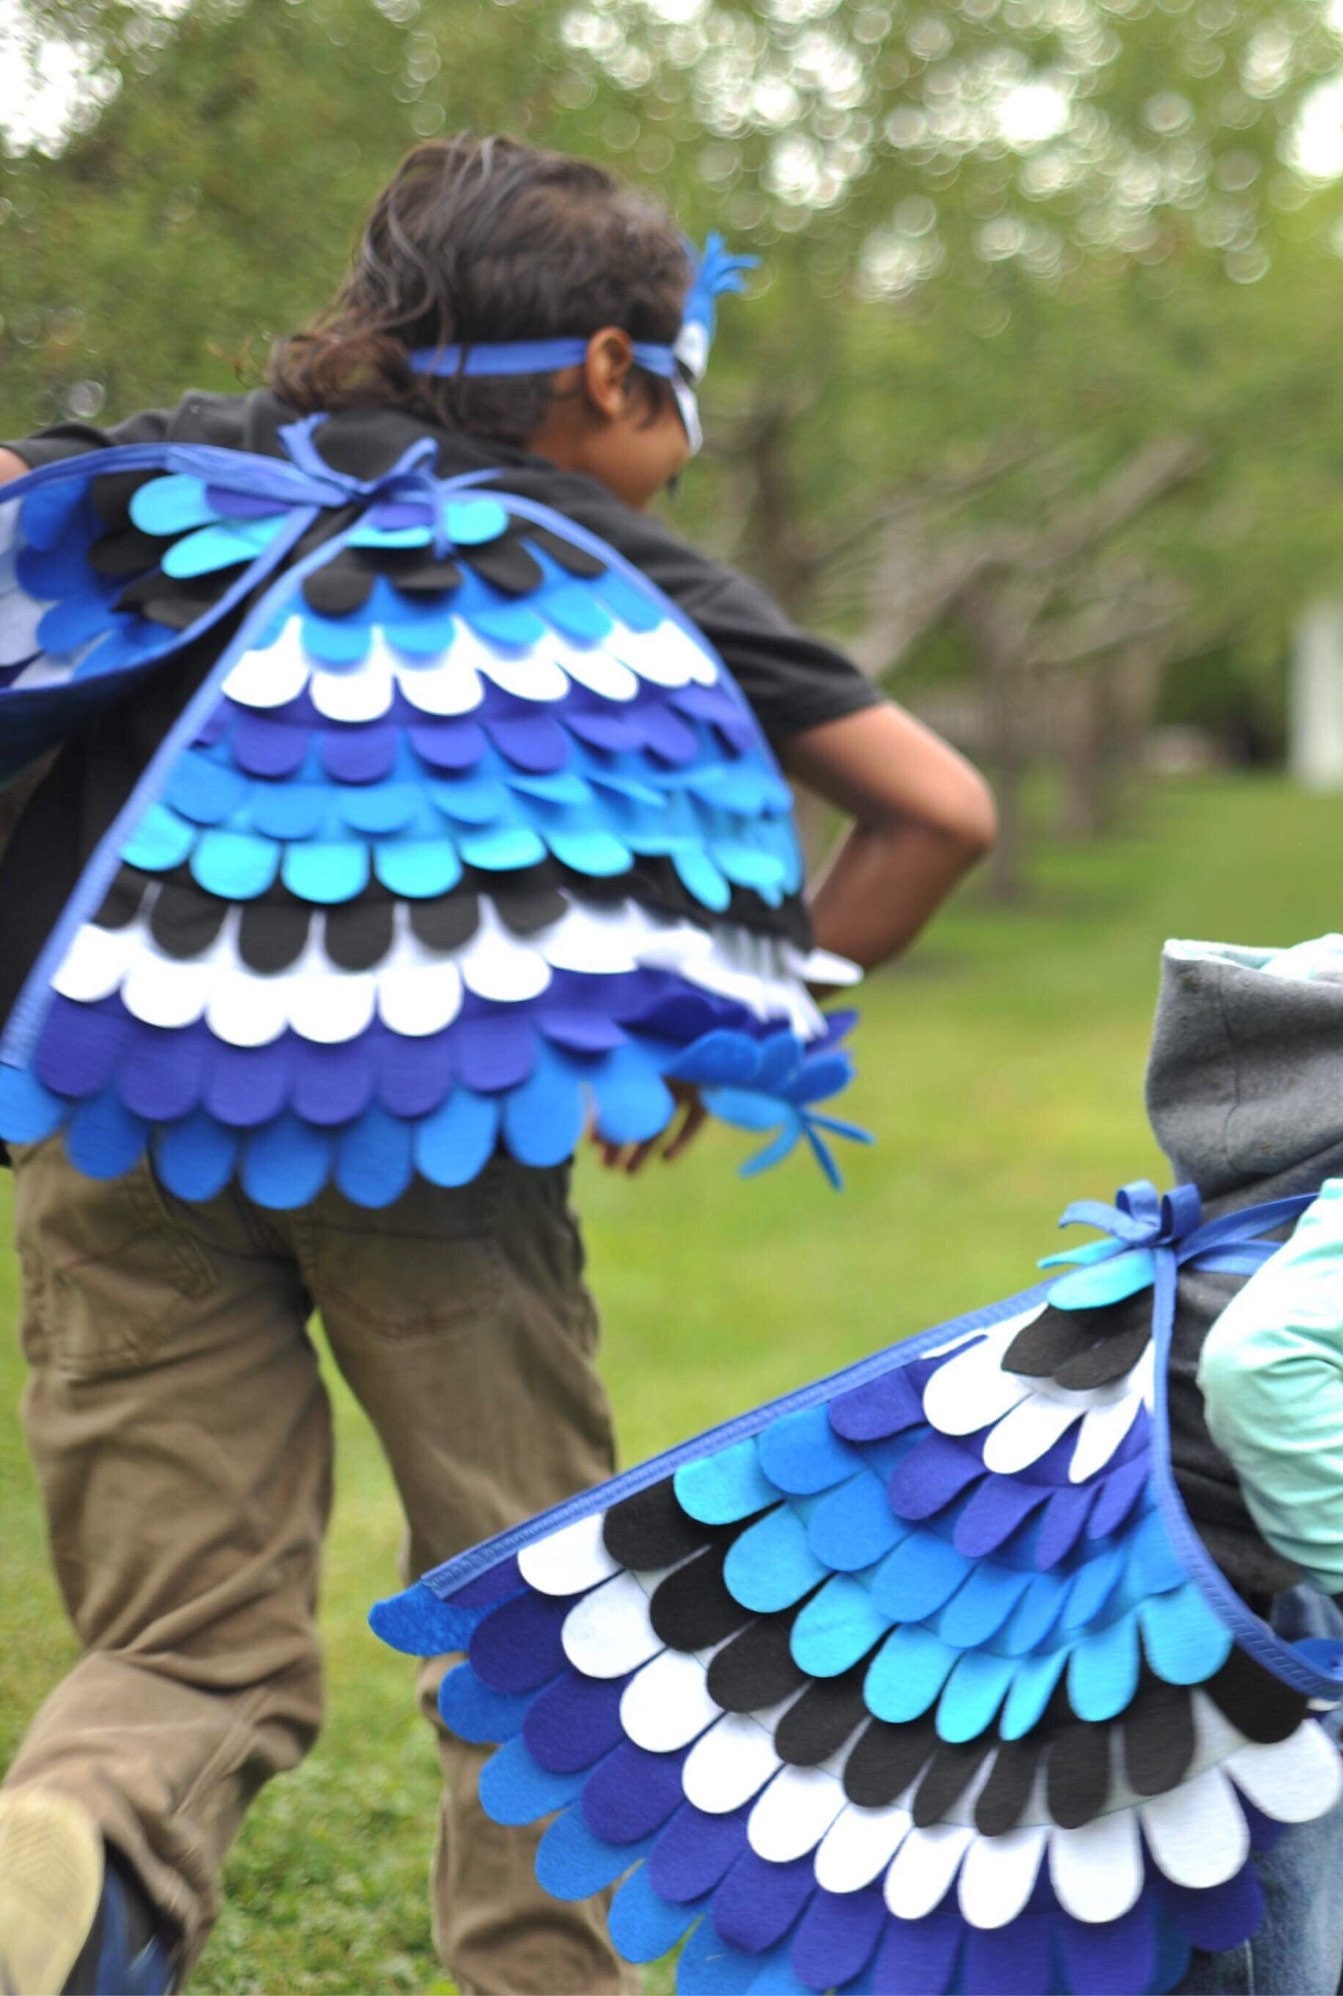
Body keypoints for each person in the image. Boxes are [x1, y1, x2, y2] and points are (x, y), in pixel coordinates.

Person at [358, 635, 1343, 1995]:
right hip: (1193, 1620)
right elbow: (1268, 1357)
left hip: (1175, 1525)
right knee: (1251, 1930)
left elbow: (1283, 1277)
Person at [0, 135, 994, 1995]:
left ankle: (73, 1853)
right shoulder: (590, 547)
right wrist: (719, 1036)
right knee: (533, 1626)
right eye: (683, 390)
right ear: (611, 369)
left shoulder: (184, 470)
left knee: (180, 1643)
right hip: (429, 1155)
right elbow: (936, 810)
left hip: (109, 1123)